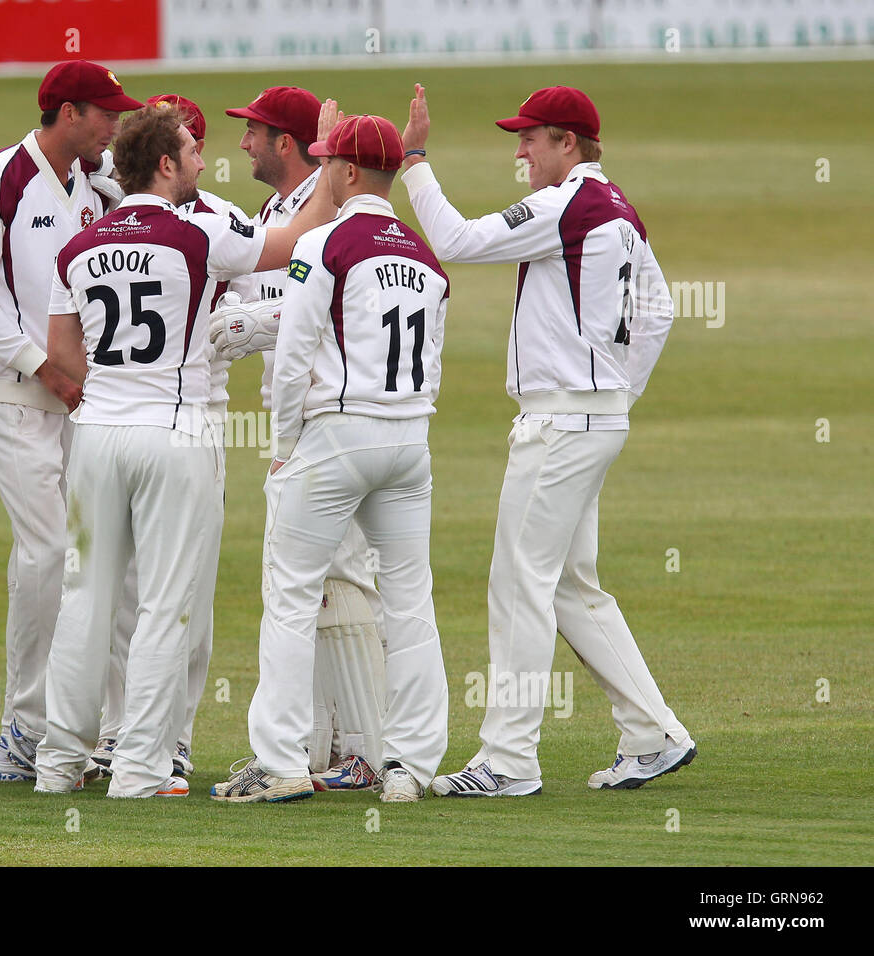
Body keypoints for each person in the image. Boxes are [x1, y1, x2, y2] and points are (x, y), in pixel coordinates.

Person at [400, 84, 695, 796]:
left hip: (561, 422)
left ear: (568, 142)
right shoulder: (619, 208)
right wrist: (619, 394)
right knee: (567, 585)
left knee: (519, 584)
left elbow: (456, 241)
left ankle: (508, 761)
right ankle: (654, 733)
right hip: (591, 418)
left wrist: (413, 158)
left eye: (531, 137)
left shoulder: (568, 204)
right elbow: (660, 310)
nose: (520, 150)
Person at [35, 104, 334, 798]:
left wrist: (111, 386)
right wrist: (326, 165)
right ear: (165, 164)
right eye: (192, 151)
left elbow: (60, 353)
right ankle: (140, 767)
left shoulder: (79, 246)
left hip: (98, 434)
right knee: (168, 604)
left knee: (86, 597)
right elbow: (292, 242)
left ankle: (57, 765)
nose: (203, 160)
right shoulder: (197, 233)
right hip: (177, 432)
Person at [212, 114, 450, 804]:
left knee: (289, 594)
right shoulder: (426, 255)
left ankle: (283, 762)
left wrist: (285, 442)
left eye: (327, 164)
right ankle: (409, 765)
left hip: (339, 433)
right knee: (410, 601)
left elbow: (293, 357)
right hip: (410, 439)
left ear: (346, 173)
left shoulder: (323, 242)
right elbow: (431, 361)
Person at [0, 60, 144, 783]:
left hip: (75, 397)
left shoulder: (98, 186)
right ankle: (23, 731)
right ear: (68, 113)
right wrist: (46, 367)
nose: (114, 126)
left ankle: (91, 726)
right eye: (105, 113)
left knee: (94, 555)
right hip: (9, 392)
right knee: (47, 552)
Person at [216, 86, 390, 790]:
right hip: (297, 416)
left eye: (253, 132)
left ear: (286, 143)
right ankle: (318, 748)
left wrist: (240, 327)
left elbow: (319, 299)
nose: (242, 144)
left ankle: (369, 752)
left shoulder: (343, 211)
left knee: (342, 579)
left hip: (325, 418)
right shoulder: (274, 213)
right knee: (311, 588)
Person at [87, 92, 253, 782]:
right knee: (122, 593)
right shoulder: (114, 213)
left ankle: (170, 738)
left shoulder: (223, 221)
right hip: (159, 421)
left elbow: (269, 294)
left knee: (182, 594)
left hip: (196, 415)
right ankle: (118, 734)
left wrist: (233, 327)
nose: (201, 158)